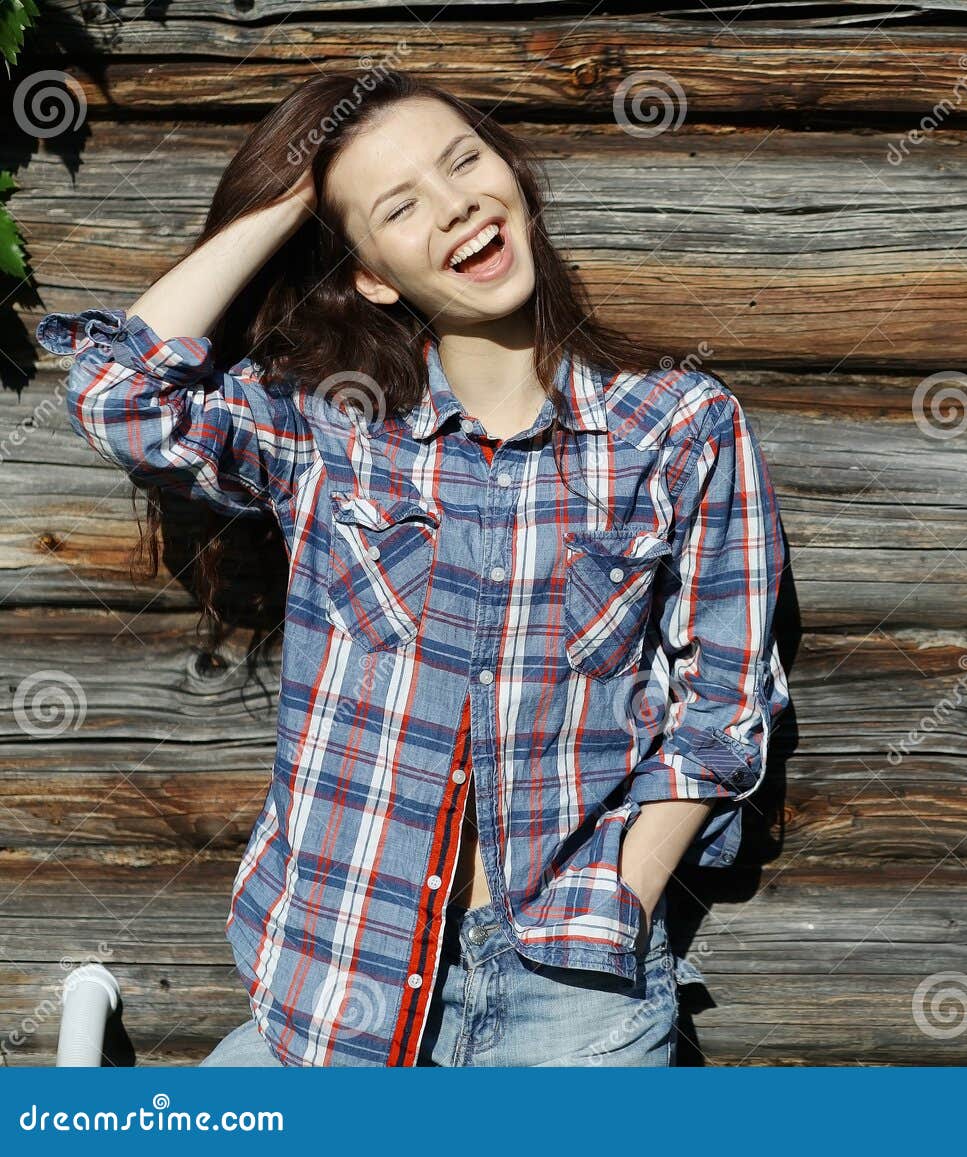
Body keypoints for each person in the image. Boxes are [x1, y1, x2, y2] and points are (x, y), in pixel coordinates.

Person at [36, 69, 789, 1067]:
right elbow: (119, 395)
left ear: (513, 176)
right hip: (336, 980)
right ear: (372, 274)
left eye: (465, 162)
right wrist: (290, 199)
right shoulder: (329, 427)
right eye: (398, 207)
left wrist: (627, 888)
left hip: (572, 997)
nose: (455, 205)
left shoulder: (678, 425)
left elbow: (724, 701)